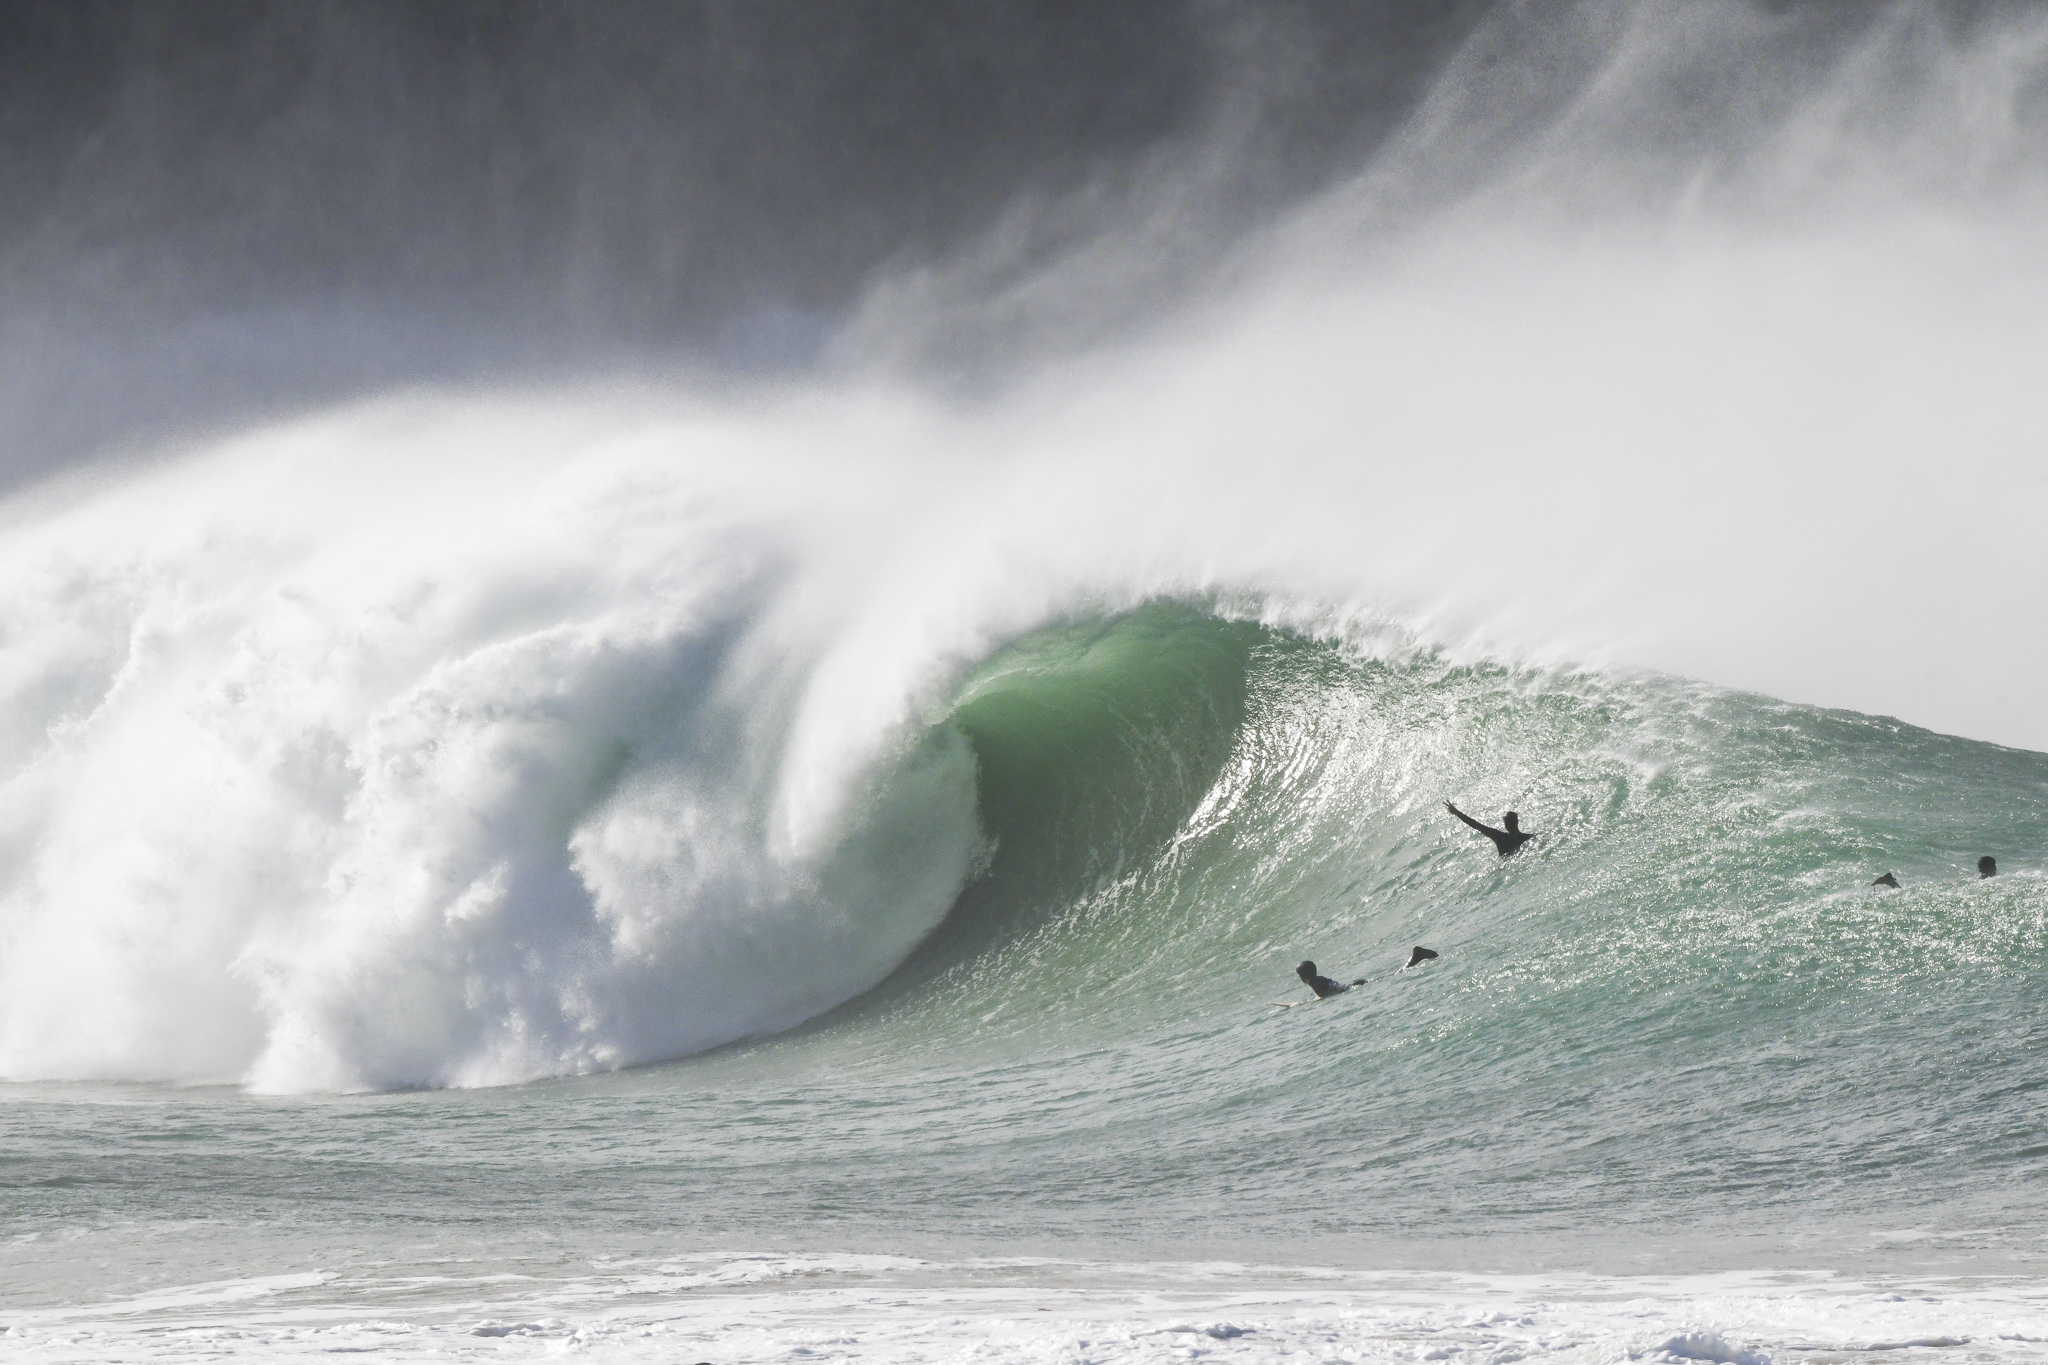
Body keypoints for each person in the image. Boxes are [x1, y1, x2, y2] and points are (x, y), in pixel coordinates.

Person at [1445, 802, 1534, 857]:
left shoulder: (1499, 837)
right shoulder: (1528, 837)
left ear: (1505, 825)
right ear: (1517, 822)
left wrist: (1457, 813)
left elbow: (1476, 825)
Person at [1296, 960, 1364, 998]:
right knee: (1348, 986)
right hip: (1336, 987)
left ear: (1304, 976)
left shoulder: (1314, 983)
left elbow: (1322, 996)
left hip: (1336, 990)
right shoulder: (1318, 979)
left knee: (1345, 988)